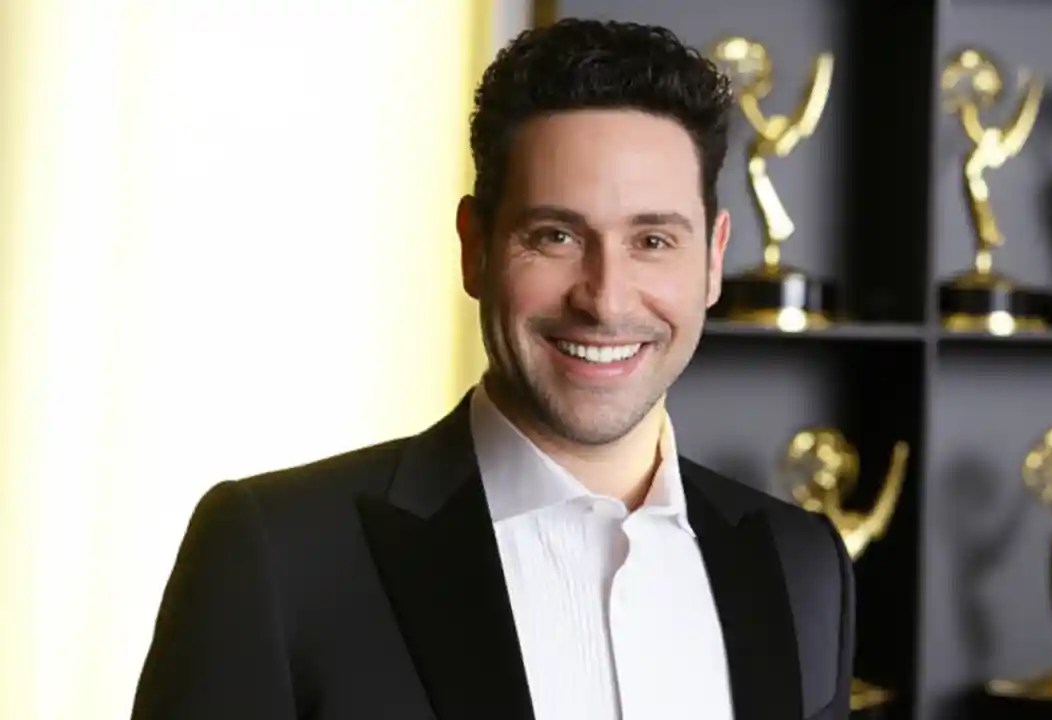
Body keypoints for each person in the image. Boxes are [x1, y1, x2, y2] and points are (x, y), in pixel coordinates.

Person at [132, 18, 854, 720]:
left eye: (653, 240)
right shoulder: (276, 557)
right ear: (475, 247)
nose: (604, 298)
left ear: (713, 258)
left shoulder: (800, 565)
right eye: (555, 235)